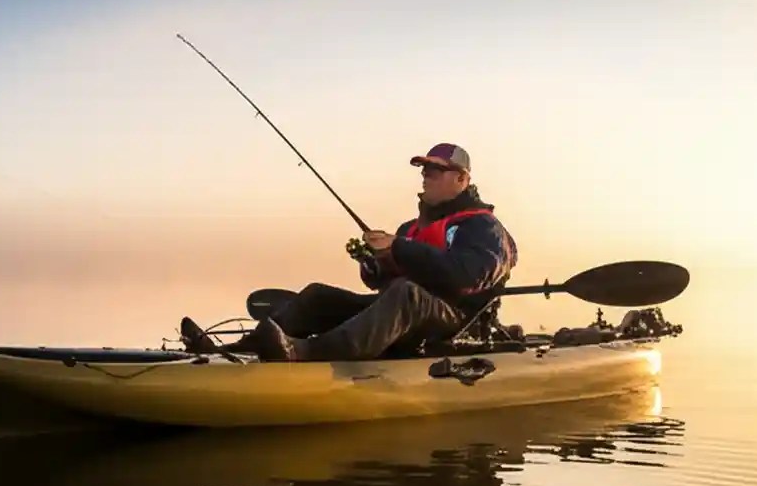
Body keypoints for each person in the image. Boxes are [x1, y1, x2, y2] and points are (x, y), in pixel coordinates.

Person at [182, 142, 518, 361]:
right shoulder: (409, 229)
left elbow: (466, 275)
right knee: (318, 295)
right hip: (404, 311)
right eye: (424, 170)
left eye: (435, 170)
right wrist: (375, 264)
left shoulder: (485, 228)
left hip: (453, 322)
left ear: (461, 178)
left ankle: (304, 353)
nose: (425, 176)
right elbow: (379, 283)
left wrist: (398, 249)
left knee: (405, 293)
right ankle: (237, 351)